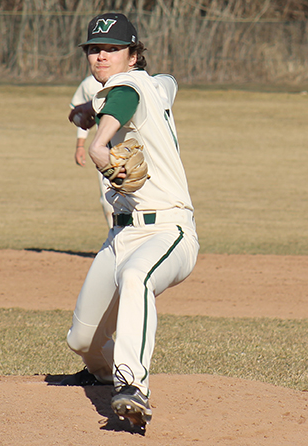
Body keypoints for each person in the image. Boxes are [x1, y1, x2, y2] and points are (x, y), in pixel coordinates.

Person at [62, 13, 199, 429]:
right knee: (81, 341)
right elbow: (168, 81)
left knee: (138, 276)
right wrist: (88, 108)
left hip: (168, 231)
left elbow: (120, 100)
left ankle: (131, 386)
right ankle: (104, 374)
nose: (101, 55)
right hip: (119, 234)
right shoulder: (156, 85)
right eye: (95, 49)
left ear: (134, 54)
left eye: (112, 48)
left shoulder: (129, 85)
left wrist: (100, 143)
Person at [69, 75, 113, 228]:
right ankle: (117, 243)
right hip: (104, 151)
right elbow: (81, 116)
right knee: (108, 201)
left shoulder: (135, 81)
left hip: (133, 151)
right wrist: (80, 145)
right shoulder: (90, 84)